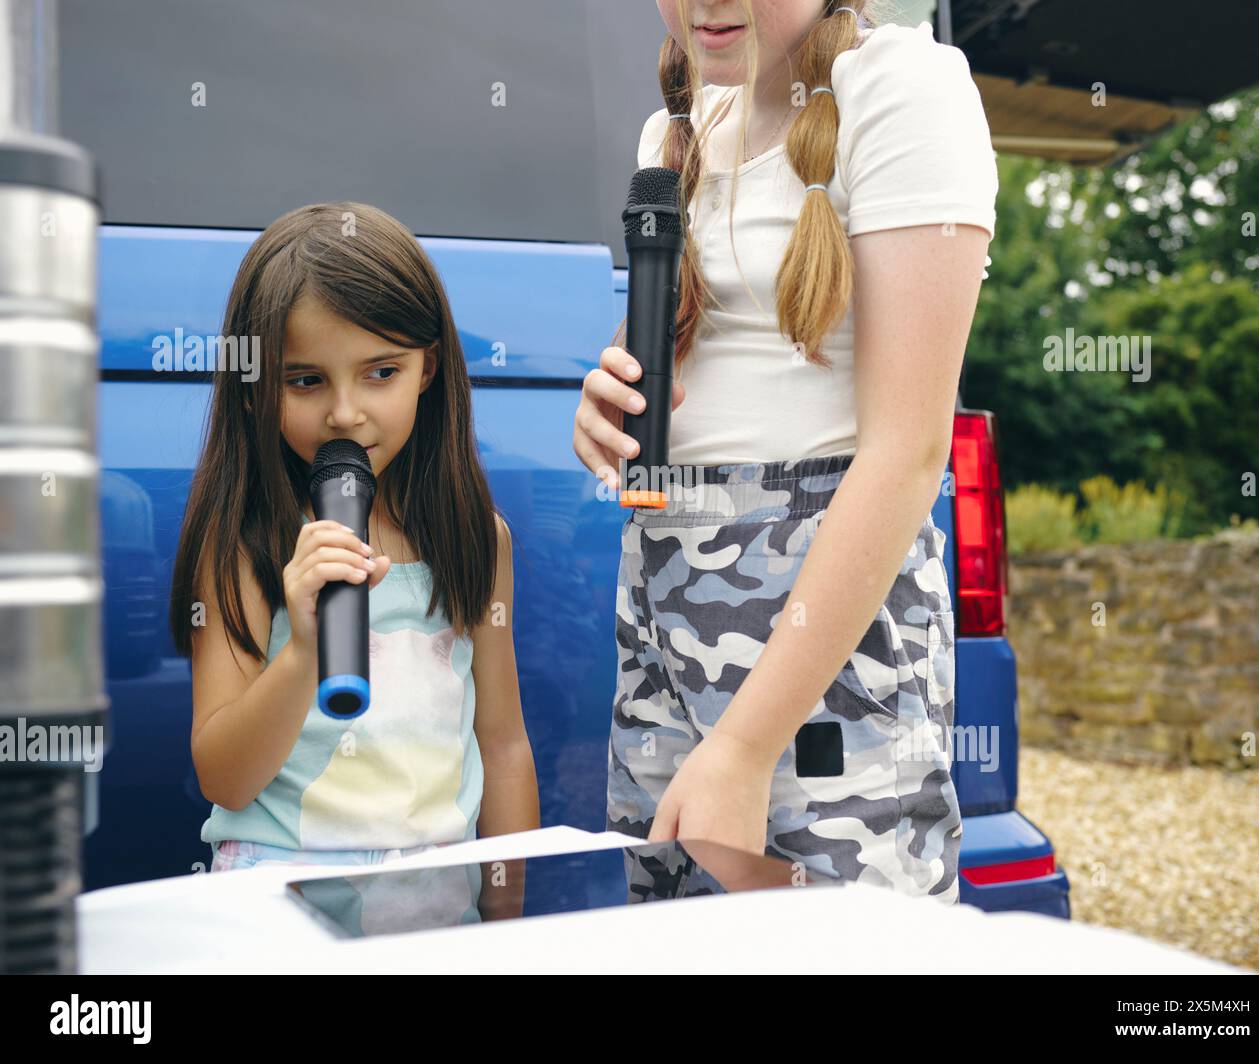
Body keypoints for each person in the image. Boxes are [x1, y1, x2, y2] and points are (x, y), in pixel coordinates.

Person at [573, 1, 997, 903]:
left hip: (824, 642)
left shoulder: (903, 88)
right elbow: (707, 366)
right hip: (664, 604)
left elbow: (907, 453)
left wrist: (743, 746)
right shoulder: (680, 126)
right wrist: (603, 403)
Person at [170, 202, 538, 873]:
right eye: (306, 380)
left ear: (428, 368)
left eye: (381, 372)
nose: (345, 413)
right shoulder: (245, 544)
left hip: (435, 902)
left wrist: (508, 910)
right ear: (254, 388)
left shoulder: (475, 540)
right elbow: (224, 778)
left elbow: (503, 742)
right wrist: (303, 651)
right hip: (278, 900)